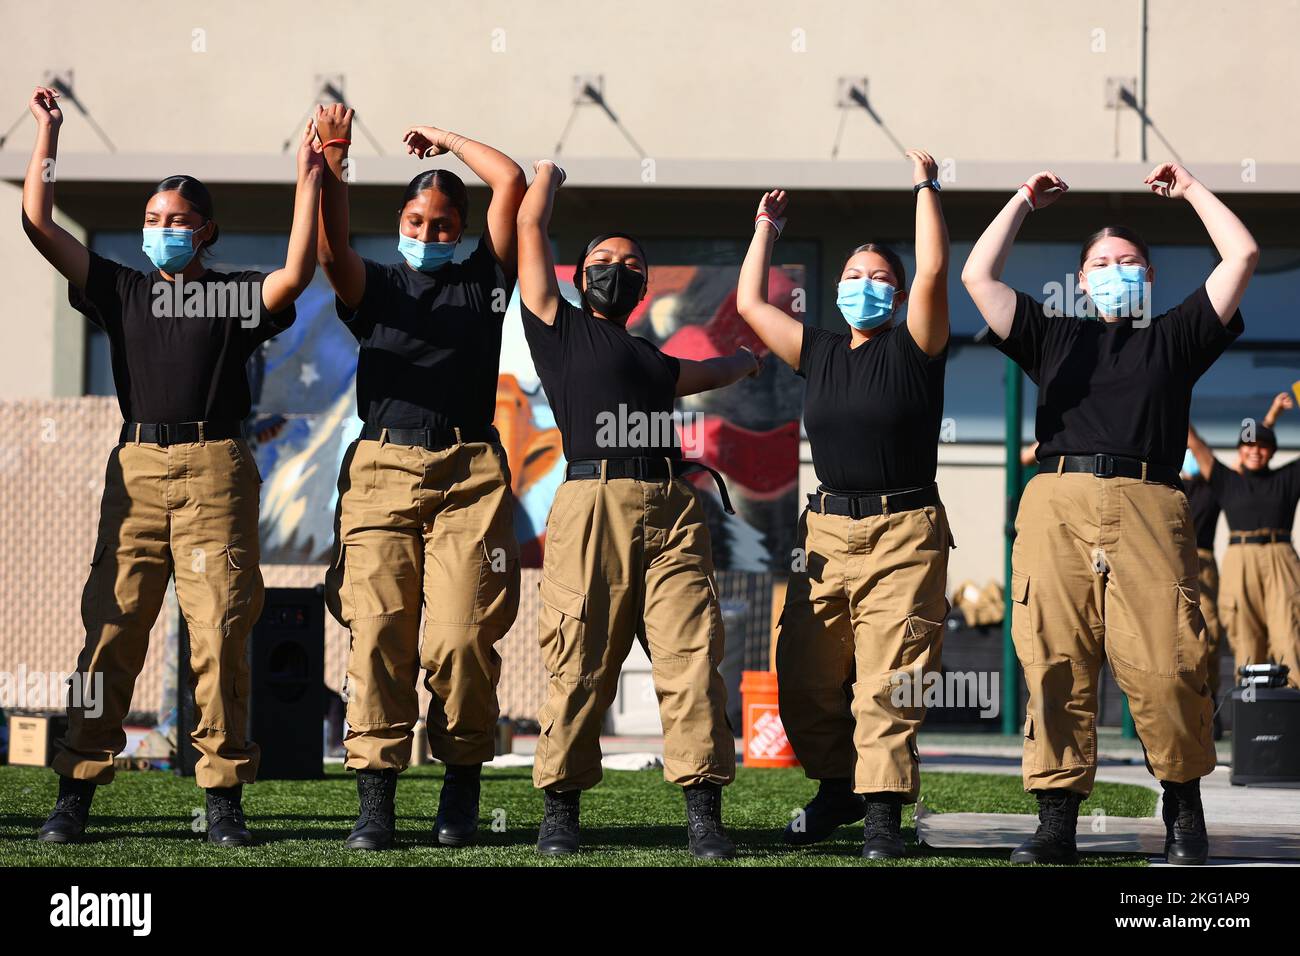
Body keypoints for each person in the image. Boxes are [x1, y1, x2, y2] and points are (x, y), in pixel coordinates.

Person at [24, 85, 321, 844]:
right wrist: (47, 139)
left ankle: (222, 798)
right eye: (153, 221)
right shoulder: (120, 289)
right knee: (112, 630)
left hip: (216, 468)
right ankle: (76, 791)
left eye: (178, 222)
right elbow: (36, 222)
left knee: (219, 633)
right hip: (137, 467)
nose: (162, 231)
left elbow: (294, 275)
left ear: (206, 232)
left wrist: (309, 181)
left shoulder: (228, 298)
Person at [962, 161, 1257, 866]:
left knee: (1168, 665)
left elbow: (1241, 253)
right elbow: (978, 277)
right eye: (1100, 261)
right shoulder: (1054, 334)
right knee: (1056, 658)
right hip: (1056, 500)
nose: (1113, 269)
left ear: (1148, 277)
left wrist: (1189, 190)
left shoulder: (1176, 337)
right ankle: (1056, 819)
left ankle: (1183, 807)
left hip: (1151, 504)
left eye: (1127, 261)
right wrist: (1023, 202)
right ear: (1082, 276)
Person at [516, 159, 759, 858]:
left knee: (691, 659)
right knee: (580, 659)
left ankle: (704, 817)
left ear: (643, 285)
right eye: (602, 259)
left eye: (629, 262)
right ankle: (560, 812)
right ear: (580, 274)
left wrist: (746, 361)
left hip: (672, 508)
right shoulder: (557, 326)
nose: (615, 268)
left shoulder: (651, 357)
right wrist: (549, 178)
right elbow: (530, 225)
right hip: (593, 504)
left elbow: (703, 373)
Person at [313, 104, 526, 850]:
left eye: (441, 224)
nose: (426, 234)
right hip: (381, 470)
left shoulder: (484, 282)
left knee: (462, 638)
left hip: (471, 471)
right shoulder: (375, 286)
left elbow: (512, 179)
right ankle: (376, 800)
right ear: (399, 223)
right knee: (376, 633)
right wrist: (334, 161)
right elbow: (329, 245)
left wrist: (447, 139)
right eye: (413, 221)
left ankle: (461, 781)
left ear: (461, 229)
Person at [734, 150, 953, 859]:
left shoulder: (917, 344)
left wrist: (926, 187)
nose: (867, 286)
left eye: (880, 278)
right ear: (835, 292)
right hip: (825, 530)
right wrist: (765, 228)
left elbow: (936, 271)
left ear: (899, 293)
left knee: (889, 680)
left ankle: (884, 815)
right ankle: (839, 788)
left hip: (904, 528)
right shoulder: (819, 350)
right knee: (802, 674)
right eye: (855, 277)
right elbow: (748, 306)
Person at [1187, 391, 1300, 689]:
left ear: (1273, 452)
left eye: (1263, 447)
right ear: (1240, 451)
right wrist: (1164, 391)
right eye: (1249, 445)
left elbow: (1259, 434)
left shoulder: (1287, 478)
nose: (1255, 451)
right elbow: (1195, 444)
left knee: (1289, 636)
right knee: (1246, 642)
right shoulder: (1226, 480)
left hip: (1281, 557)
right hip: (1240, 559)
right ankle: (1251, 717)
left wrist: (1294, 397)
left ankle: (1291, 718)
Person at [1179, 449, 1227, 718]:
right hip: (1173, 559)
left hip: (1203, 561)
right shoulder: (1168, 487)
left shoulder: (1212, 489)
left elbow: (1241, 466)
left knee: (1208, 634)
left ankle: (1210, 703)